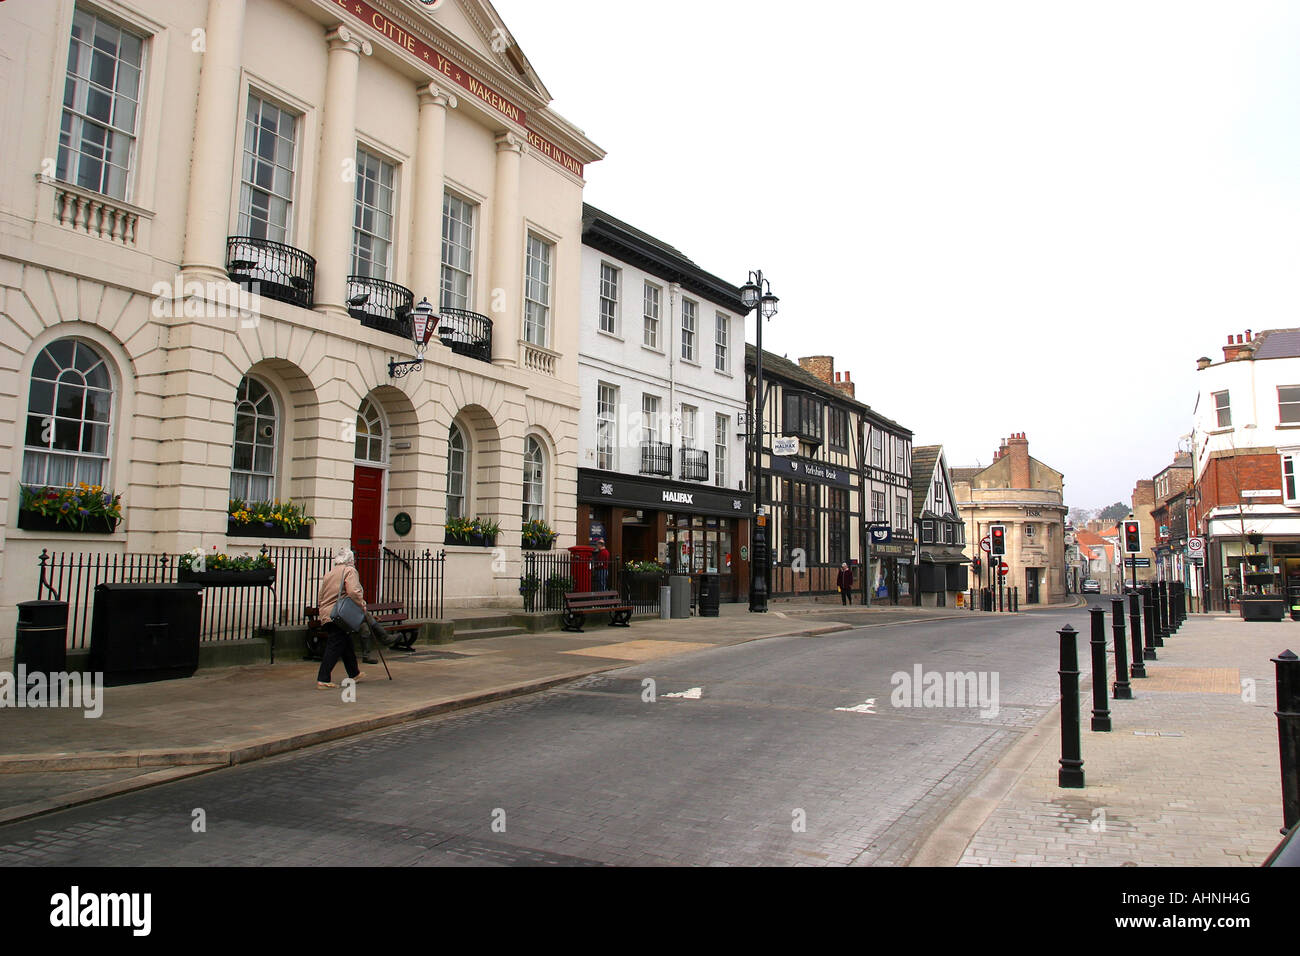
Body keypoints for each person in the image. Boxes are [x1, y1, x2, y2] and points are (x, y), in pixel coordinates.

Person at [316, 548, 367, 689]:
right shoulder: (349, 571)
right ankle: (323, 679)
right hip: (339, 614)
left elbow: (321, 596)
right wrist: (361, 604)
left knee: (346, 643)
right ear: (350, 560)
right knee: (334, 645)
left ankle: (354, 673)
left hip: (327, 613)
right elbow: (353, 591)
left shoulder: (330, 573)